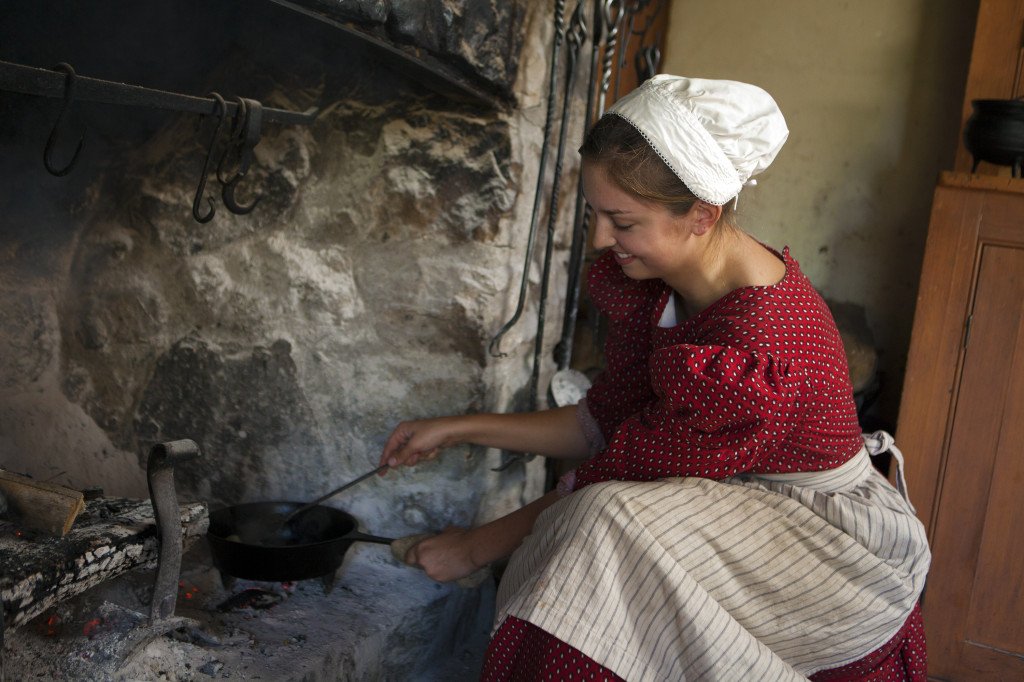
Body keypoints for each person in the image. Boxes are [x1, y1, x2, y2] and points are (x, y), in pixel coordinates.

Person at [379, 75, 930, 681]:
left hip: (815, 536)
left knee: (598, 527)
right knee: (594, 521)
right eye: (596, 213)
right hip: (724, 496)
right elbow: (608, 420)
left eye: (622, 220)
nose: (601, 238)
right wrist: (458, 429)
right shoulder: (671, 286)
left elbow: (614, 478)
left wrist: (472, 549)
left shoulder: (756, 345)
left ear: (701, 214)